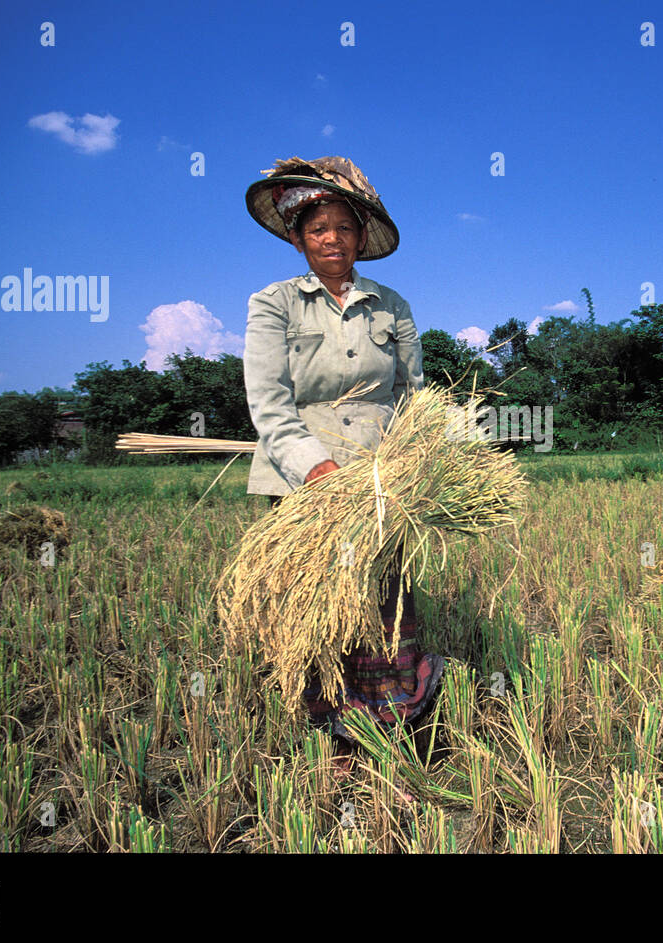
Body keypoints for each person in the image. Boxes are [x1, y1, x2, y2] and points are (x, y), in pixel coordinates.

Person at [242, 156, 445, 766]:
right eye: (316, 229)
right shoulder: (274, 303)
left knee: (385, 598)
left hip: (381, 475)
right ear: (300, 239)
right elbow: (269, 401)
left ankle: (392, 719)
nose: (331, 238)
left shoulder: (393, 305)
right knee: (319, 604)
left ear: (360, 236)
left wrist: (413, 461)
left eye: (343, 227)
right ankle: (327, 730)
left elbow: (412, 393)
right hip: (300, 477)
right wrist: (315, 469)